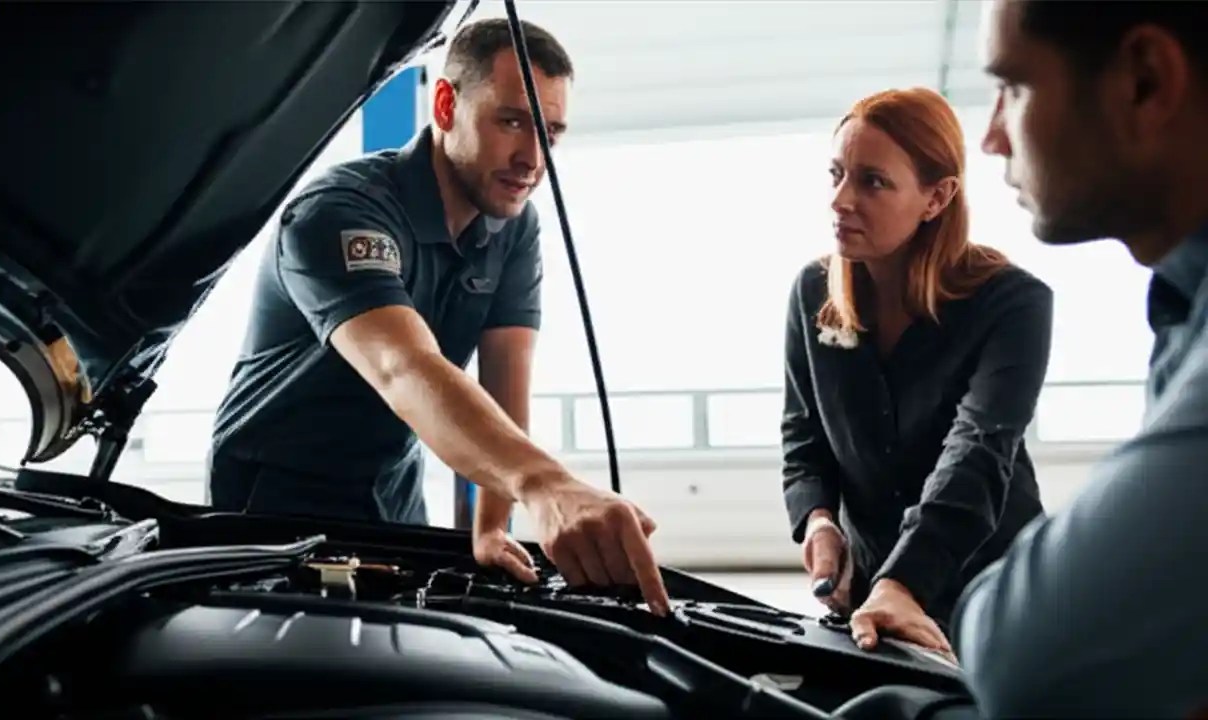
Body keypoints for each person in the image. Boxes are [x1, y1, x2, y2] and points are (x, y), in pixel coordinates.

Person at [206, 19, 671, 616]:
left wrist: (492, 525)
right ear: (446, 105)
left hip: (392, 493)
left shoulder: (513, 223)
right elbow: (405, 368)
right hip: (274, 500)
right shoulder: (340, 211)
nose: (533, 160)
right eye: (511, 122)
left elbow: (504, 382)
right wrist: (546, 485)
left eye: (551, 133)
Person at [900, 0, 1208, 716]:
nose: (992, 137)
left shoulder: (1012, 300)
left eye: (1014, 86)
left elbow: (1026, 657)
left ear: (1144, 82)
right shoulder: (1182, 298)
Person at [782, 86, 1053, 659]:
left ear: (937, 198)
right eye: (836, 174)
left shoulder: (1014, 304)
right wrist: (819, 522)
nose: (840, 200)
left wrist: (902, 583)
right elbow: (804, 435)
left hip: (995, 589)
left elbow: (978, 451)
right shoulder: (812, 293)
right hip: (872, 599)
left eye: (872, 182)